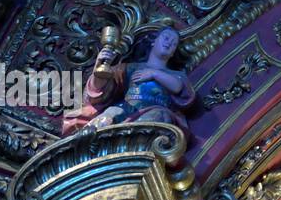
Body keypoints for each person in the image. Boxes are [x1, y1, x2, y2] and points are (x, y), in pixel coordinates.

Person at [61, 27, 196, 140]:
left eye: (174, 43)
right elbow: (101, 92)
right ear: (154, 42)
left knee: (156, 119)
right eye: (166, 38)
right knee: (106, 117)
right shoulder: (129, 68)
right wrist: (100, 69)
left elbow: (179, 88)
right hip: (126, 107)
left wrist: (154, 73)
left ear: (173, 52)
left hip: (155, 111)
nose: (169, 43)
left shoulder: (176, 75)